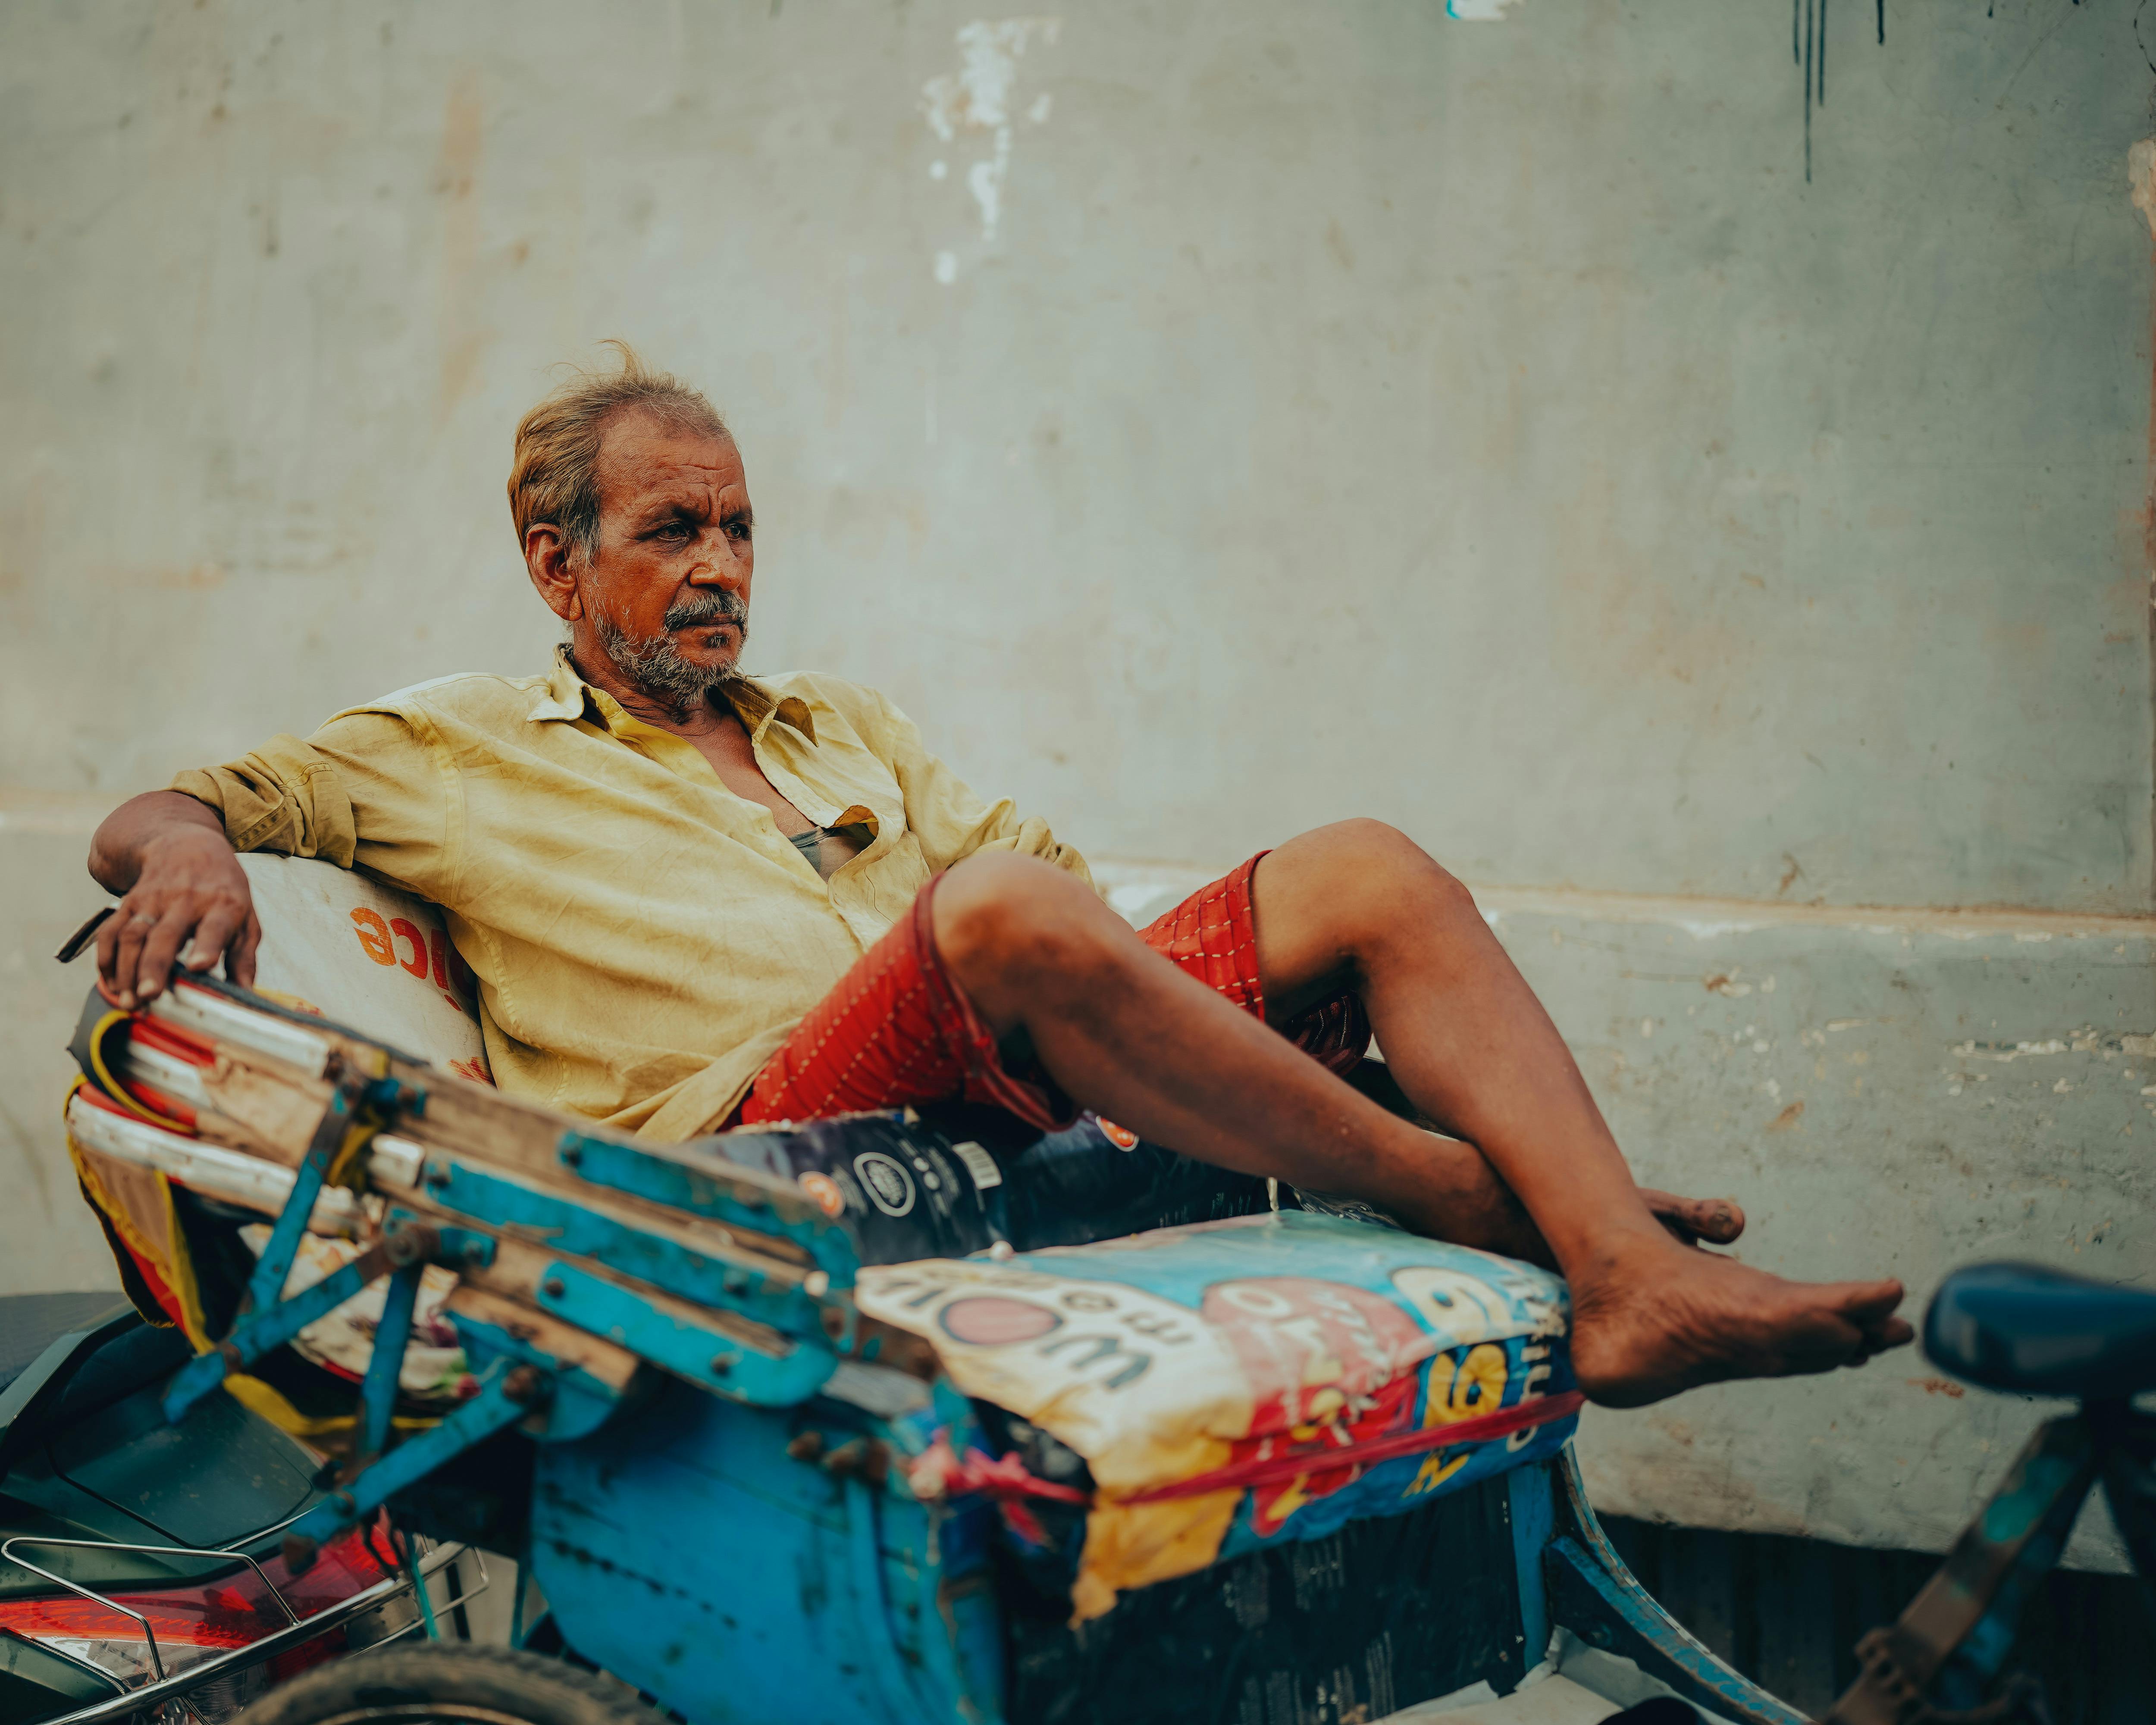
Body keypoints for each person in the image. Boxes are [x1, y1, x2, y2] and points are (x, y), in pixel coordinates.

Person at [86, 347, 1910, 1408]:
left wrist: (1303, 1064)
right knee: (989, 920)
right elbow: (186, 800)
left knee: (1357, 869)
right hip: (749, 1167)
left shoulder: (837, 725)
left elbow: (1095, 948)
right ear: (555, 567)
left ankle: (1608, 1265)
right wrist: (183, 854)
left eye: (737, 525)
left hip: (995, 1115)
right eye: (670, 532)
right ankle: (1486, 1200)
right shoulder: (455, 747)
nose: (722, 565)